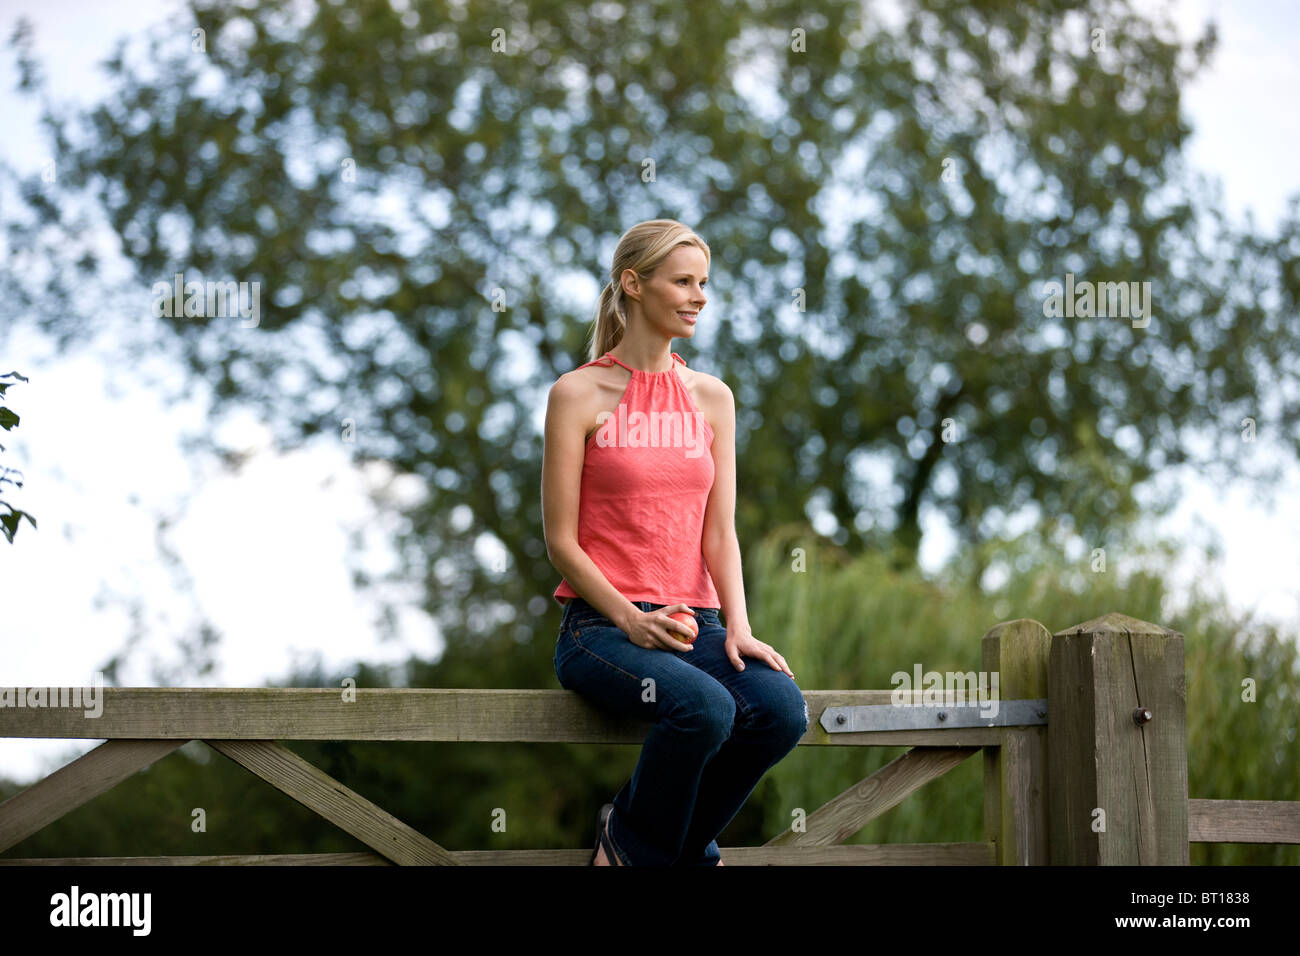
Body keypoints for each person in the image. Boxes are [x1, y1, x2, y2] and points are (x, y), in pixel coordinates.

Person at [540, 218, 809, 866]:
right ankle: (668, 856)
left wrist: (739, 628)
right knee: (706, 709)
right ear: (633, 284)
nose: (699, 297)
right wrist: (630, 620)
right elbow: (560, 542)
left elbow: (720, 532)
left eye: (704, 283)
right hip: (601, 628)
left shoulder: (713, 399)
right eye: (682, 281)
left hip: (700, 626)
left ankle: (635, 845)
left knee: (779, 712)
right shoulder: (576, 394)